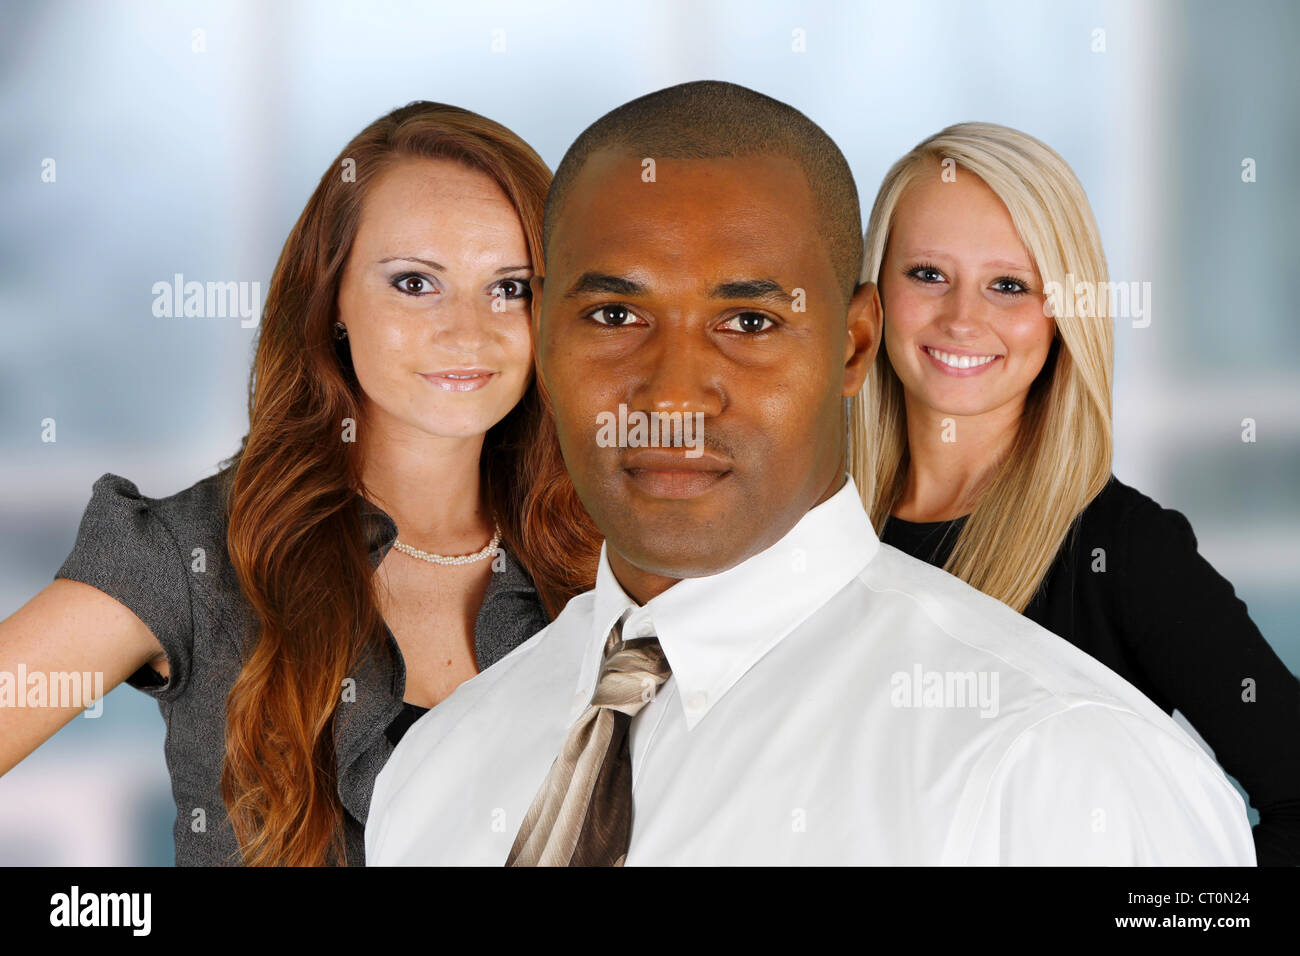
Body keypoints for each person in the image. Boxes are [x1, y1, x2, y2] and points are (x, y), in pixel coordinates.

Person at [366, 81, 1255, 865]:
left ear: (853, 346)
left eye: (748, 323)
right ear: (546, 342)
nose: (674, 393)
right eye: (612, 312)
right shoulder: (437, 771)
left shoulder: (1058, 768)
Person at [0, 101, 601, 865]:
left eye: (511, 287)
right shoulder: (196, 556)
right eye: (416, 283)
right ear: (334, 301)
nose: (468, 330)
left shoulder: (609, 567)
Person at [851, 122, 1300, 867]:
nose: (963, 318)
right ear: (873, 297)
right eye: (928, 273)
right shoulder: (807, 530)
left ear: (1062, 315)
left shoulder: (1123, 552)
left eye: (1009, 286)